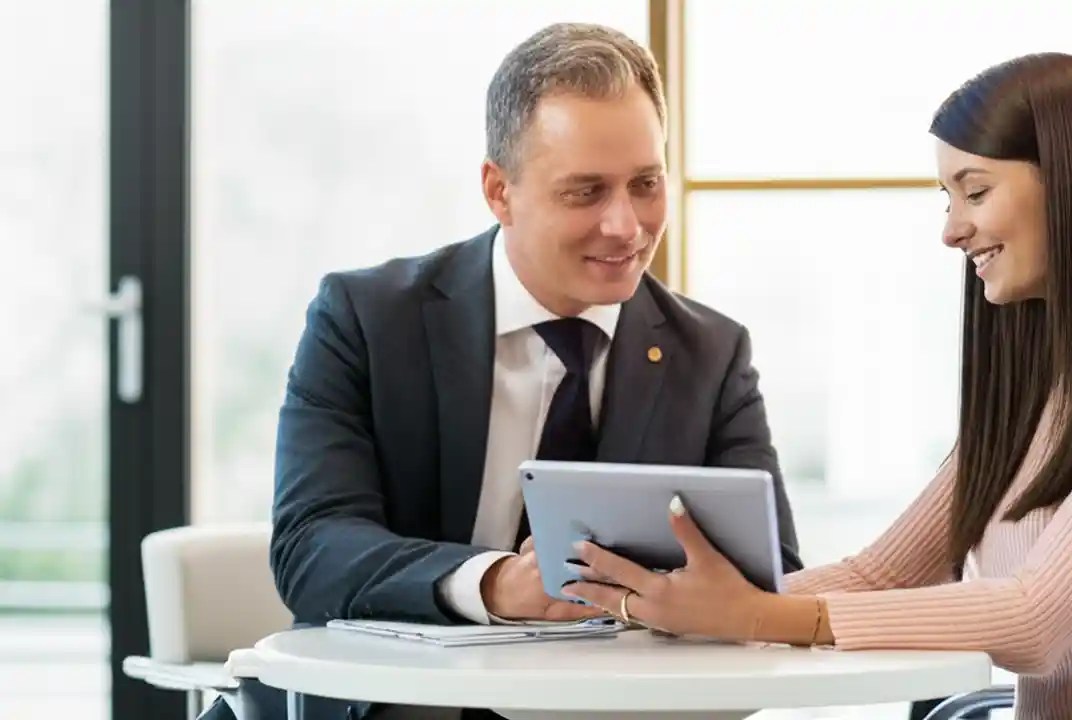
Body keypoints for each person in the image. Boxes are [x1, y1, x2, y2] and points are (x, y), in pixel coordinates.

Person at [565, 52, 1072, 720]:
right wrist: (668, 600)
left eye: (975, 191)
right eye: (947, 196)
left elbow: (1036, 619)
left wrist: (755, 615)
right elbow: (881, 576)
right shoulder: (1042, 387)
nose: (952, 229)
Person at [200, 22, 801, 720]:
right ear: (498, 190)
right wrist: (491, 586)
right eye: (585, 192)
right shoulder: (366, 320)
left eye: (645, 184)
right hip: (388, 705)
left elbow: (772, 579)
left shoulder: (711, 353)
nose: (626, 225)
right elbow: (314, 549)